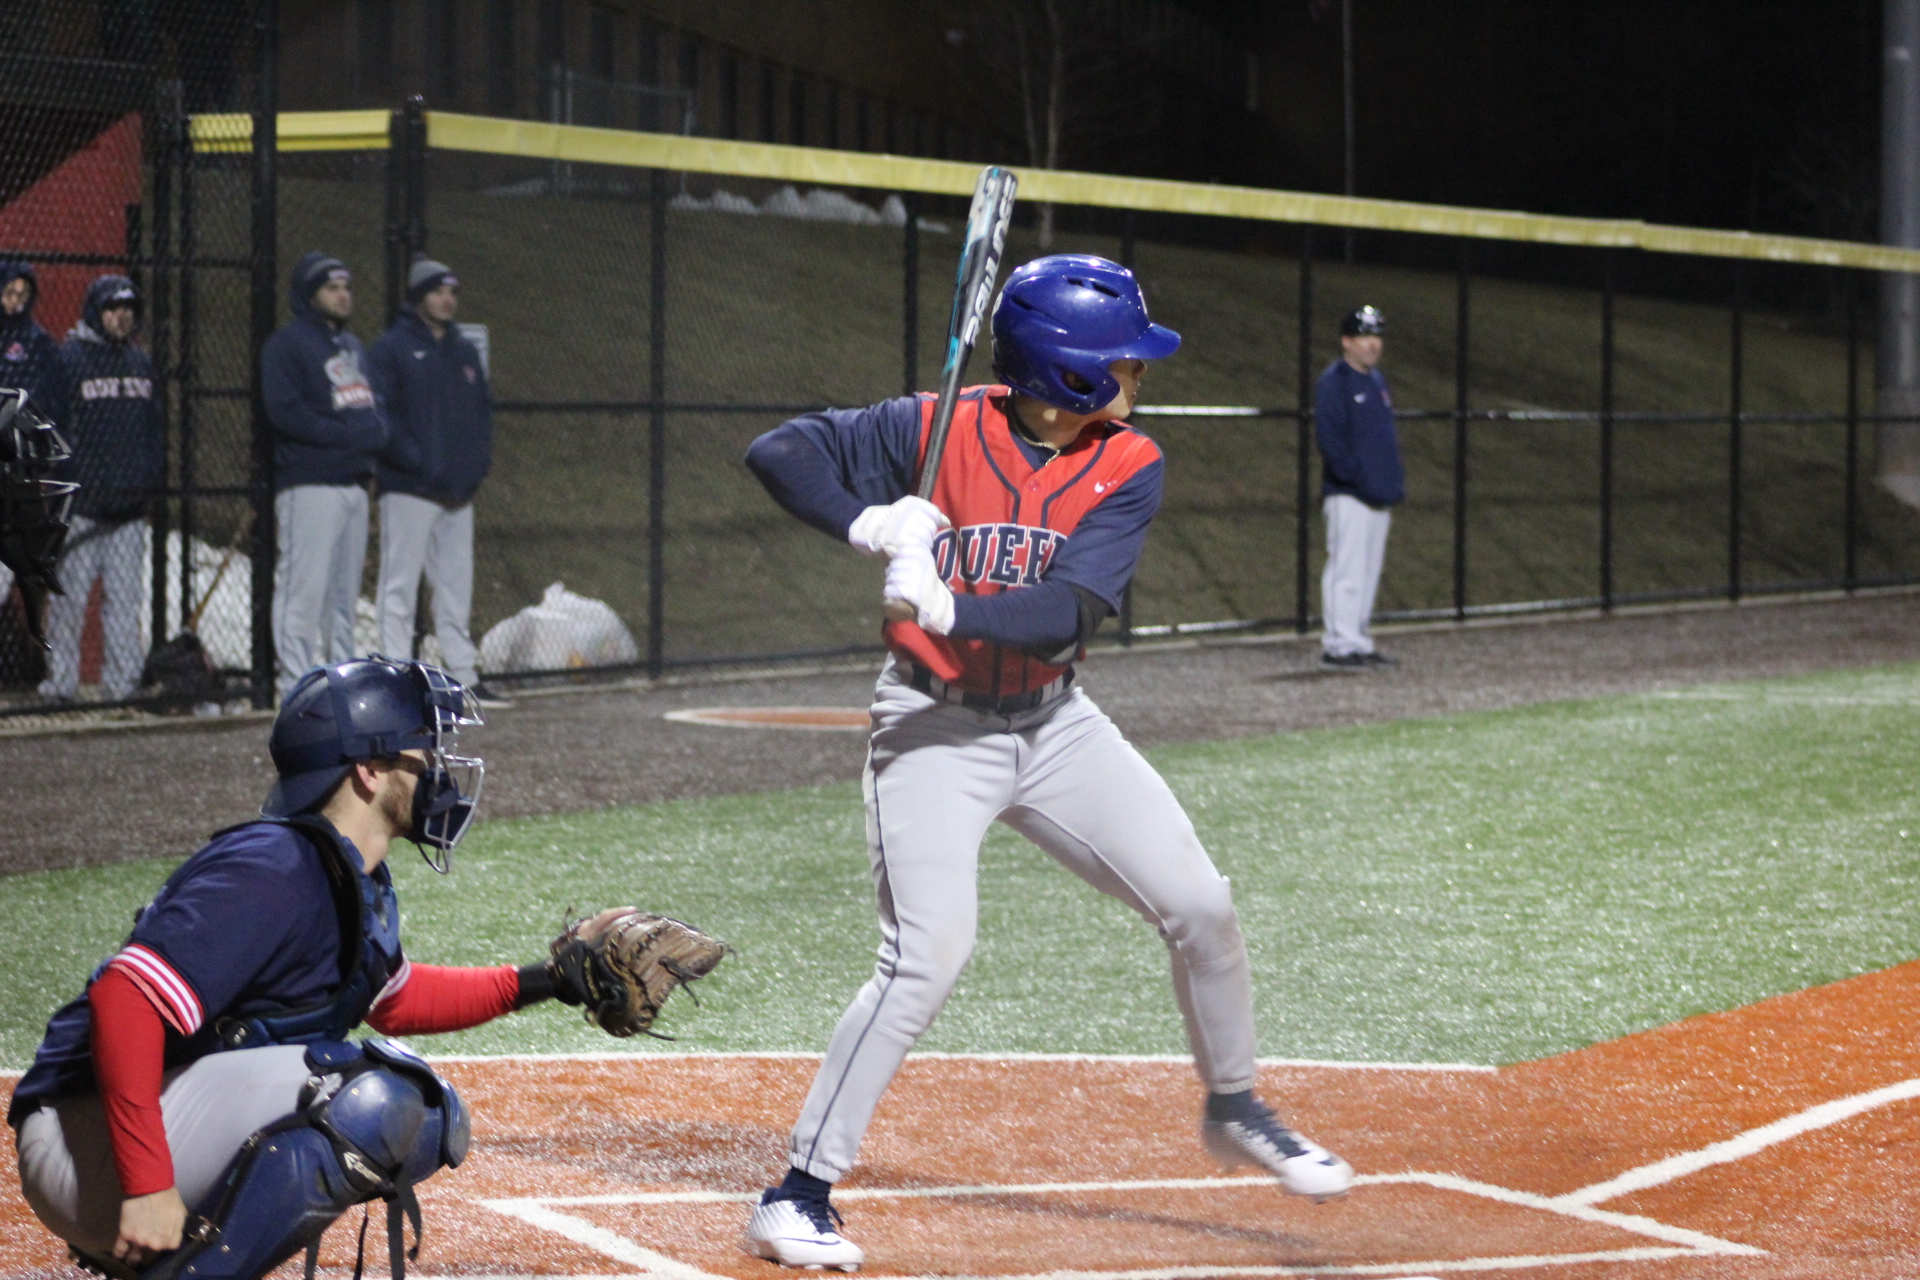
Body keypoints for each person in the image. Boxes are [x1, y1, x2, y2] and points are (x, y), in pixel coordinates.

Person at [738, 254, 1353, 1272]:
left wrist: (946, 600)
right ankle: (796, 1191)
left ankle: (1235, 1103)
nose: (1134, 376)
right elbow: (780, 449)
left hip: (1055, 721)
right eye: (1118, 362)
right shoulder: (935, 425)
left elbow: (1066, 608)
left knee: (1200, 900)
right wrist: (873, 520)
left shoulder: (1131, 462)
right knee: (926, 954)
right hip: (934, 728)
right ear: (1062, 375)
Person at [7, 656, 632, 1280]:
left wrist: (549, 980)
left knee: (428, 1115)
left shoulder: (347, 875)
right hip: (80, 1135)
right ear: (368, 770)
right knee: (368, 1099)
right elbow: (125, 1002)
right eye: (422, 752)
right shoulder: (274, 868)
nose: (438, 770)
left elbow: (399, 998)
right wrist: (147, 1182)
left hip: (141, 1118)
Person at [368, 256, 504, 705]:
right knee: (399, 585)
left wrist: (476, 465)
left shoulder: (462, 350)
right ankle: (395, 676)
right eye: (436, 291)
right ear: (418, 297)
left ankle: (463, 674)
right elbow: (381, 415)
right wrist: (412, 460)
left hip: (457, 491)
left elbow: (480, 414)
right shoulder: (392, 347)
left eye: (451, 292)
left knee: (454, 587)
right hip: (409, 488)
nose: (446, 300)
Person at [262, 253, 385, 700]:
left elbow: (371, 408)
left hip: (353, 484)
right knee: (303, 592)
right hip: (309, 483)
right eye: (332, 287)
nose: (343, 294)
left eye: (346, 287)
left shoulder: (352, 346)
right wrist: (345, 435)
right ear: (310, 293)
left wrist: (373, 433)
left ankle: (342, 684)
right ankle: (292, 685)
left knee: (343, 599)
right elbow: (285, 411)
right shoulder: (287, 345)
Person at [39, 276, 165, 703]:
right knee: (69, 602)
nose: (122, 315)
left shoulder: (139, 362)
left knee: (124, 604)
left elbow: (154, 429)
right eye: (113, 308)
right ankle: (60, 684)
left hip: (128, 508)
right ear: (96, 311)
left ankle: (122, 686)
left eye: (128, 307)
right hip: (82, 508)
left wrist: (146, 478)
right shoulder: (69, 359)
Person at [1315, 305, 1405, 668]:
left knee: (1367, 573)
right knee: (1347, 571)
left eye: (1376, 336)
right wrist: (1357, 479)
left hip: (1376, 495)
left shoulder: (1376, 380)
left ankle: (1358, 641)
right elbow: (1331, 441)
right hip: (1348, 494)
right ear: (1347, 341)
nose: (1372, 344)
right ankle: (1339, 645)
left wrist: (1387, 483)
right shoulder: (1335, 380)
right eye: (1364, 336)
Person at [0, 262, 69, 433]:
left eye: (22, 295)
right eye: (9, 293)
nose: (15, 301)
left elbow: (54, 393)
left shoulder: (38, 340)